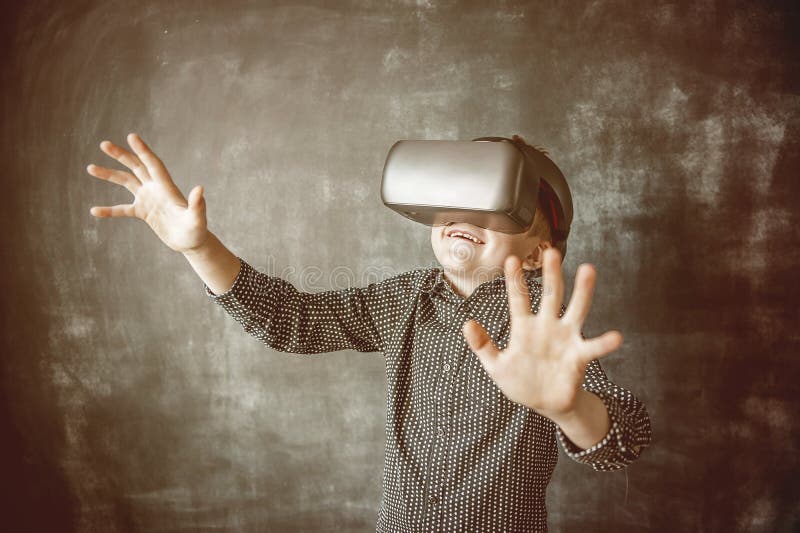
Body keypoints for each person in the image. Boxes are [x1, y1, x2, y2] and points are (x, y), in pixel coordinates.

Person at [87, 133, 651, 532]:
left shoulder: (544, 335)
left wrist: (570, 406)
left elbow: (624, 437)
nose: (467, 210)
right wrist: (199, 248)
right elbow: (292, 320)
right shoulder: (404, 299)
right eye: (456, 192)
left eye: (500, 204)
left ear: (539, 254)